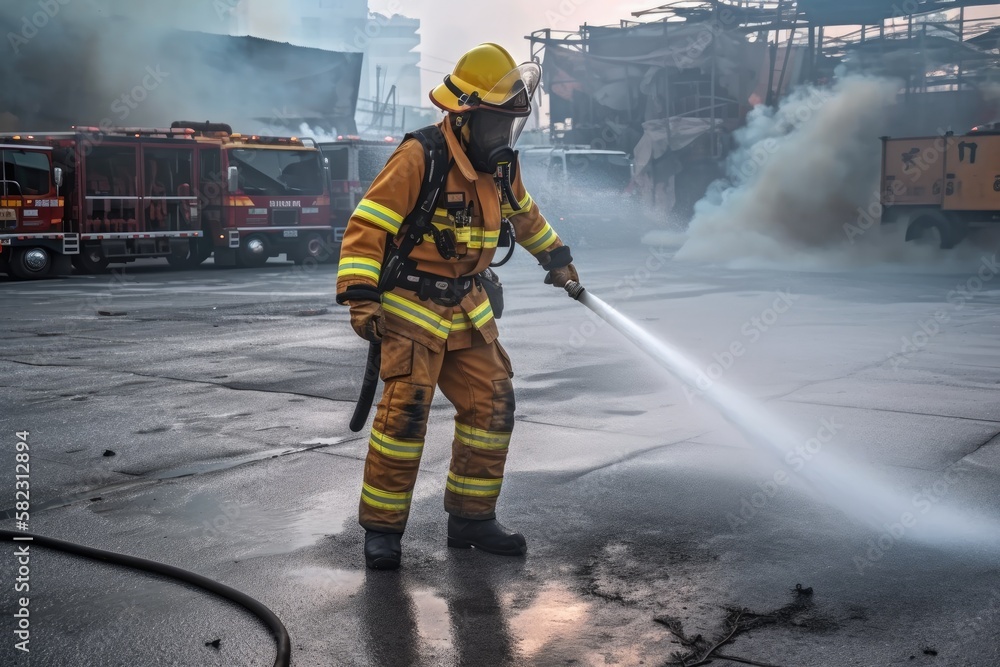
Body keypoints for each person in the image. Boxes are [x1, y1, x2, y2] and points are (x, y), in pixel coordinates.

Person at [336, 43, 579, 570]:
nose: (503, 137)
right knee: (404, 419)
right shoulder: (418, 156)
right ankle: (382, 532)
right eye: (496, 124)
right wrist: (361, 299)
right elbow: (366, 227)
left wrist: (557, 259)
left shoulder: (500, 167)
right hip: (410, 309)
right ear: (463, 116)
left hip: (468, 306)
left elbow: (526, 215)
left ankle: (471, 519)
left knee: (492, 407)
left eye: (510, 125)